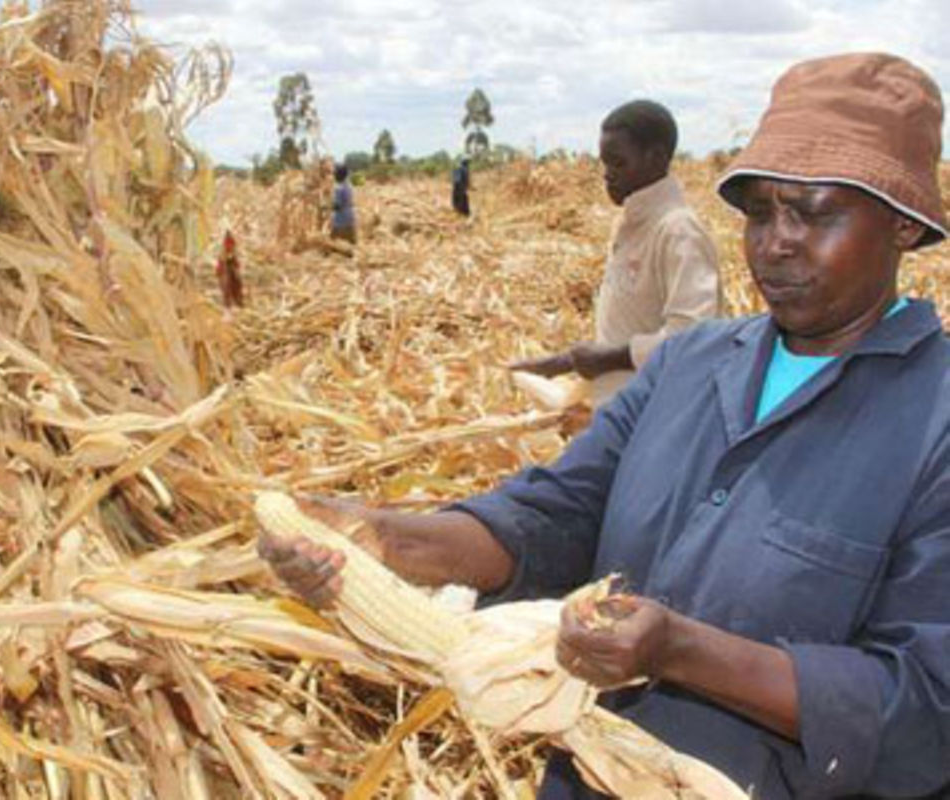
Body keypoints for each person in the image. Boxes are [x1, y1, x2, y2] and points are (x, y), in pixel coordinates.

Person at [258, 53, 950, 799]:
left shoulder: (933, 421)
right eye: (759, 212)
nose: (774, 242)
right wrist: (386, 540)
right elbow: (557, 514)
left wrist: (680, 650)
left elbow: (925, 709)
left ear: (903, 225)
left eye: (813, 213)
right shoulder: (687, 366)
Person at [512, 100, 721, 403]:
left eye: (619, 163)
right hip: (621, 409)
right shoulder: (631, 225)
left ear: (656, 158)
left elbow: (693, 336)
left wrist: (610, 359)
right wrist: (562, 363)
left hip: (659, 412)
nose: (607, 175)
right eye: (605, 163)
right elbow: (628, 326)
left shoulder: (678, 231)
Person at [214, 230, 244, 308]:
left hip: (231, 266)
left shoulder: (233, 247)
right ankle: (227, 302)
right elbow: (221, 261)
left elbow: (235, 260)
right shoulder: (223, 250)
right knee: (226, 283)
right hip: (225, 267)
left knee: (238, 281)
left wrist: (236, 265)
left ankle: (238, 300)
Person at [330, 163, 356, 245]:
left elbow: (338, 206)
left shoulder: (338, 188)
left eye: (335, 174)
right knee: (352, 244)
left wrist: (328, 207)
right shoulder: (349, 186)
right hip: (350, 218)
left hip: (340, 221)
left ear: (338, 175)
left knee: (332, 244)